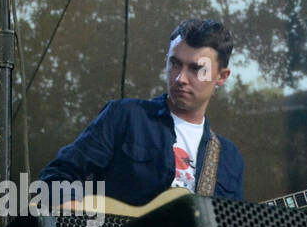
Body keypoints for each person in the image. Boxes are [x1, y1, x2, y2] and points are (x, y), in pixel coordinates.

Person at [39, 18, 244, 206]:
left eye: (196, 69)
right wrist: (75, 215)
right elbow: (56, 176)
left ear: (222, 76)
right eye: (175, 63)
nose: (180, 78)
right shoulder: (125, 117)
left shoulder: (229, 157)